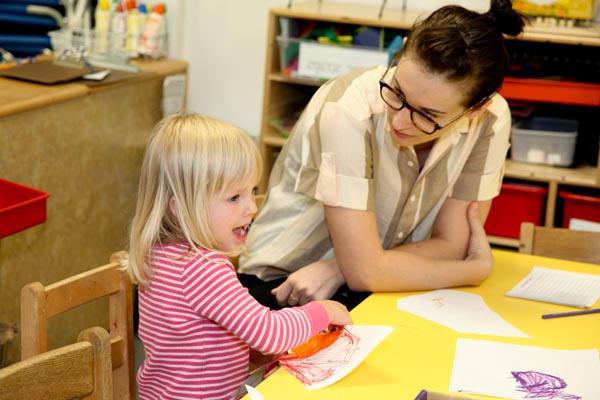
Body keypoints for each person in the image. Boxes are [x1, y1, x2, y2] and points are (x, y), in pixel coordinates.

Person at [238, 0, 526, 310]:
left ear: (477, 108)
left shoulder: (492, 120)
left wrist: (341, 267)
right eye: (398, 92)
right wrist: (473, 270)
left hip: (379, 284)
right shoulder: (347, 109)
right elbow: (366, 272)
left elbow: (451, 245)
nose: (399, 121)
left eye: (427, 115)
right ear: (400, 52)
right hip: (286, 284)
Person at [124, 113, 352, 400]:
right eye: (235, 198)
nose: (251, 208)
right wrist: (324, 311)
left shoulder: (159, 254)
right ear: (179, 208)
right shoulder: (204, 269)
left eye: (252, 191)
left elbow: (196, 344)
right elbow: (271, 332)